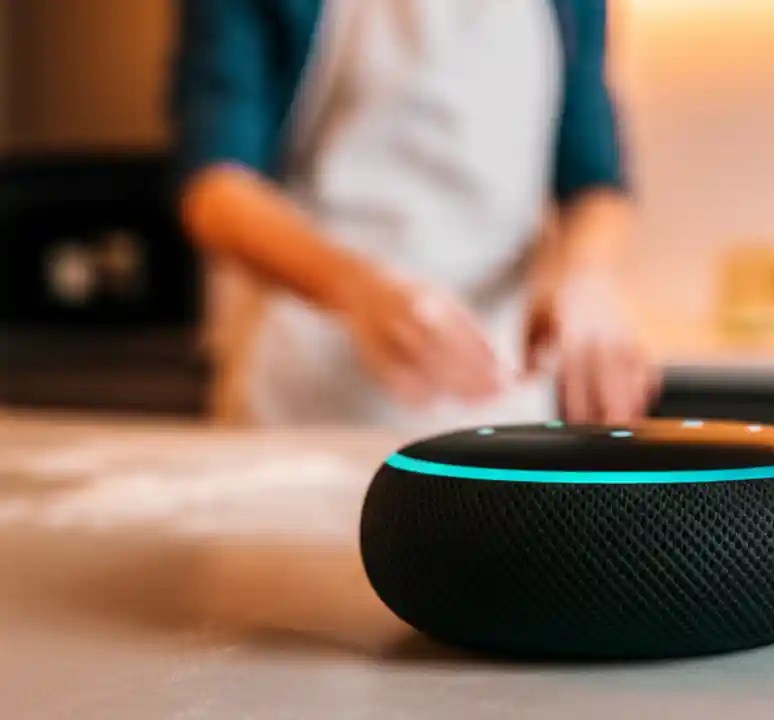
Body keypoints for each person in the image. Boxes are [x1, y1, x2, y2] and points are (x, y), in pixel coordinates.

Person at [171, 0, 657, 433]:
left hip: (498, 403)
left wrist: (585, 278)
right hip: (303, 400)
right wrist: (359, 290)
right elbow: (216, 190)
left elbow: (595, 182)